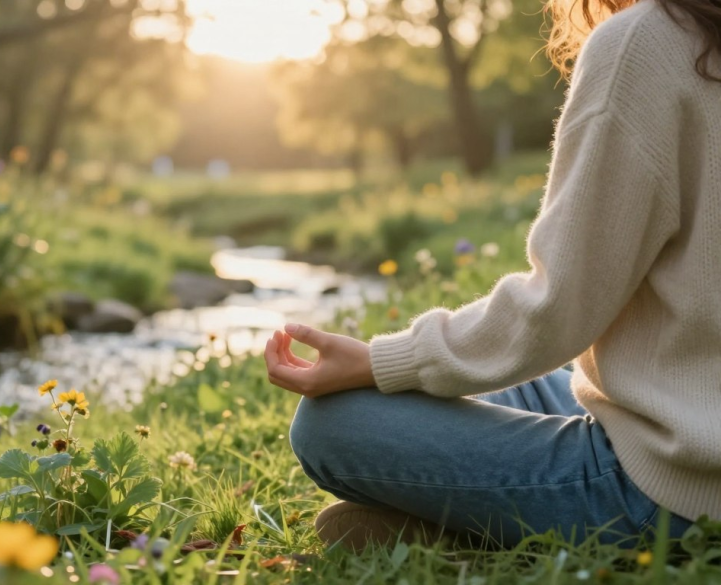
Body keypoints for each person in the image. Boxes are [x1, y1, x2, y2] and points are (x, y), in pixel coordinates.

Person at [264, 0, 721, 550]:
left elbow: (556, 311)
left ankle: (469, 539)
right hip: (696, 426)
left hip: (675, 493)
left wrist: (380, 362)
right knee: (529, 383)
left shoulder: (651, 41)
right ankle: (452, 528)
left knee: (332, 424)